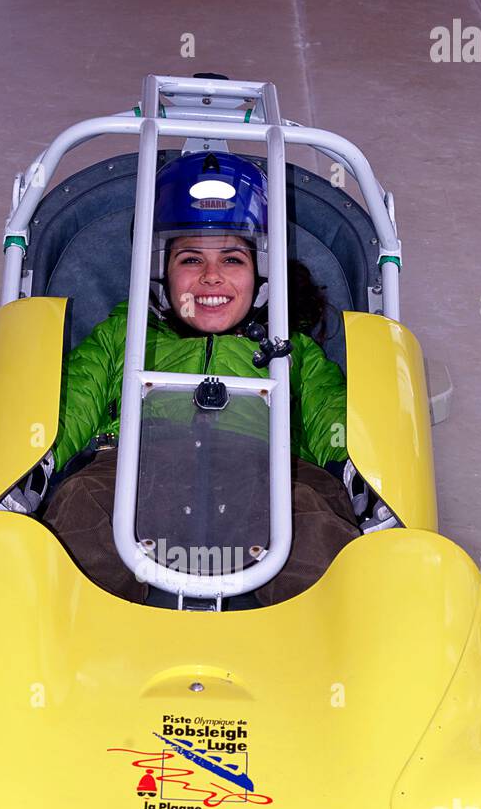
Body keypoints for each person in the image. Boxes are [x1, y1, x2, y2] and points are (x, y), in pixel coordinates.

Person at [36, 151, 362, 605]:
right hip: (139, 466)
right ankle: (68, 638)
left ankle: (332, 647)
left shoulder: (290, 349)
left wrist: (359, 470)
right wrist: (36, 458)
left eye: (232, 260)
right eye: (191, 260)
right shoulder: (125, 336)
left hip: (267, 472)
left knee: (313, 516)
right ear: (160, 274)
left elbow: (333, 413)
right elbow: (74, 397)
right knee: (83, 505)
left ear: (262, 276)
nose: (211, 277)